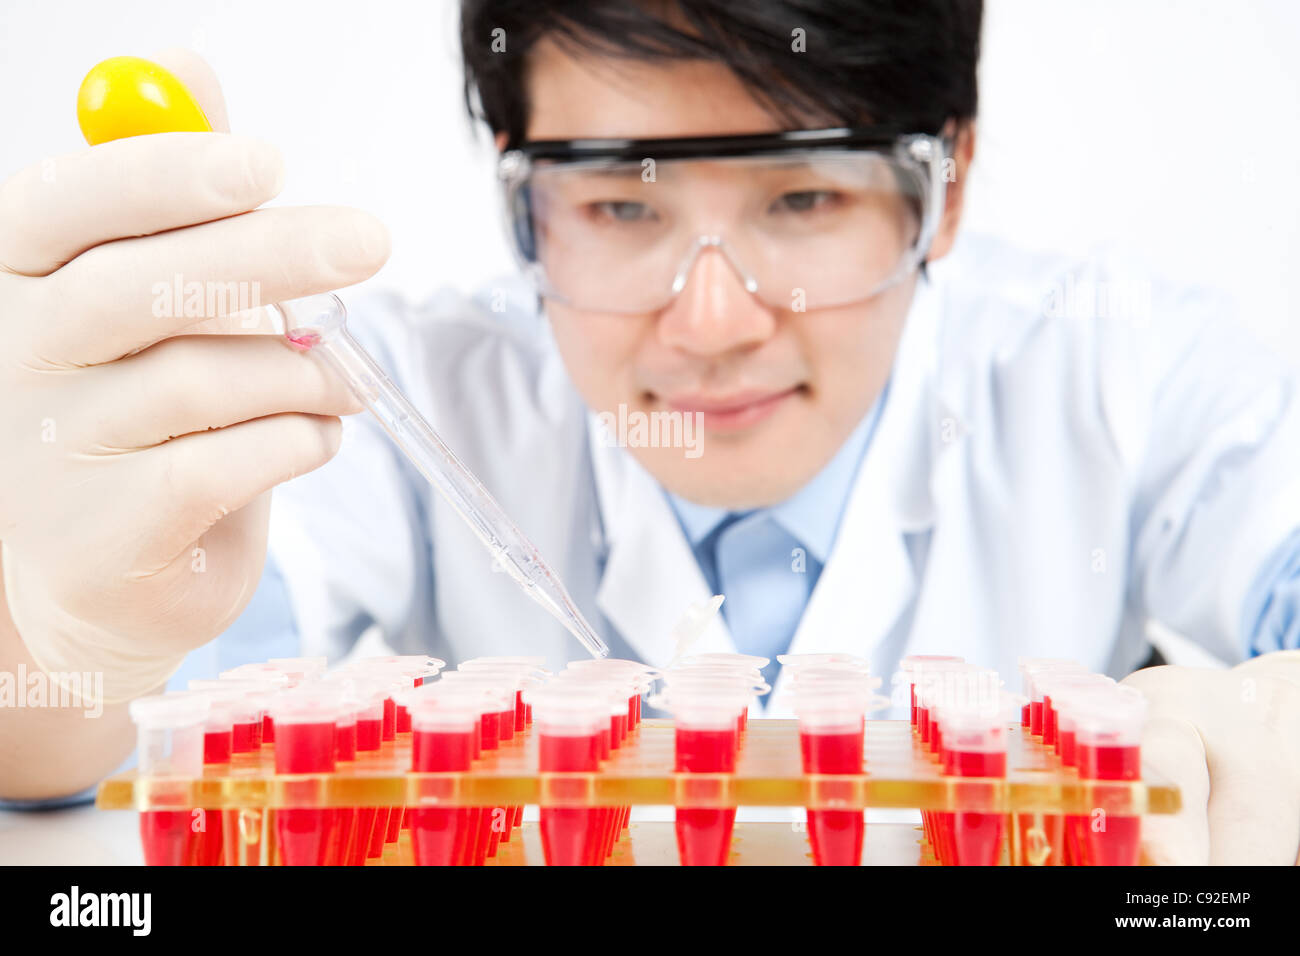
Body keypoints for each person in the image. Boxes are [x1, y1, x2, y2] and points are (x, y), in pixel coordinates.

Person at [1, 1, 1297, 865]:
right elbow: (98, 736)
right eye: (621, 206)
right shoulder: (403, 393)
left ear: (942, 185)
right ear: (517, 181)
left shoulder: (1125, 365)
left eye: (802, 194)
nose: (715, 321)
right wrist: (57, 635)